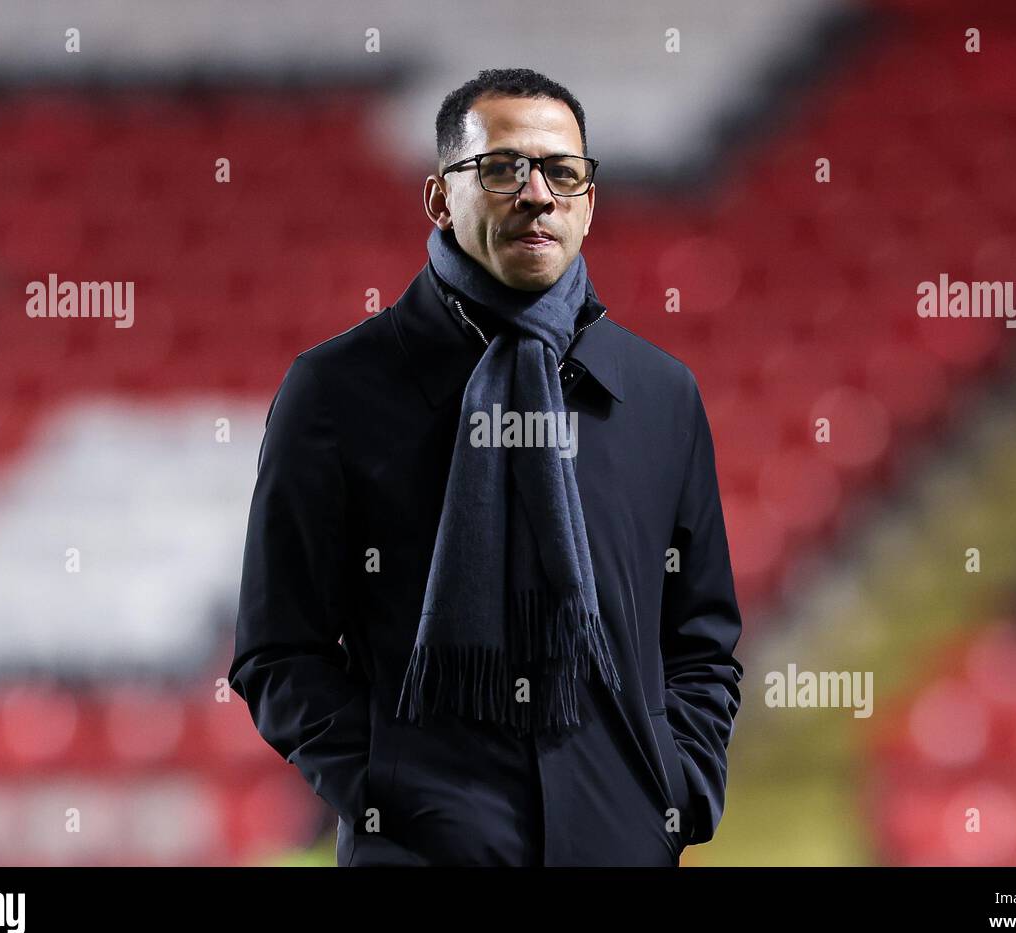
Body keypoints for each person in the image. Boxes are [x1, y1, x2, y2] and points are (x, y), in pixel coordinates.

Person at [228, 67, 743, 866]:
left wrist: (677, 791)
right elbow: (278, 649)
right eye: (504, 168)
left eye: (562, 172)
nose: (538, 194)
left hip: (621, 841)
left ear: (588, 202)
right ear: (440, 198)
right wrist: (389, 789)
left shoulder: (660, 394)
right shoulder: (336, 390)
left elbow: (701, 640)